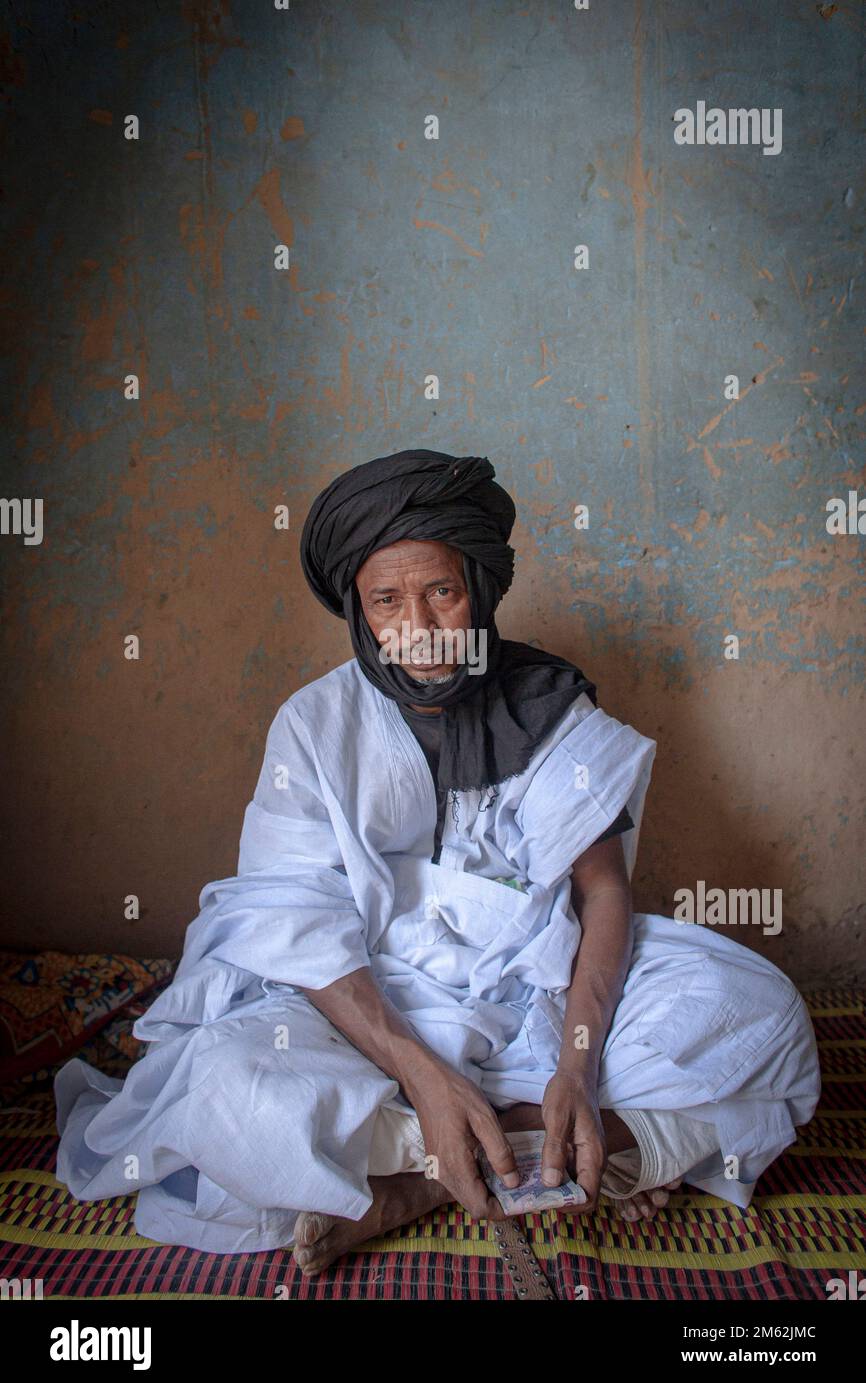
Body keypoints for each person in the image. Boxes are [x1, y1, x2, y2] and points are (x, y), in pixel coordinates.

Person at [54, 449, 821, 1275]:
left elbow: (602, 895)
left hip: (537, 985)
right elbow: (292, 927)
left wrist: (576, 1063)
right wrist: (421, 1072)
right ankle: (554, 1149)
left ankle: (430, 1175)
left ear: (480, 592)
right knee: (222, 1083)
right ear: (356, 606)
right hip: (367, 1005)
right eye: (386, 600)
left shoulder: (547, 703)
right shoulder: (316, 727)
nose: (415, 626)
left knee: (762, 1013)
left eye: (441, 593)